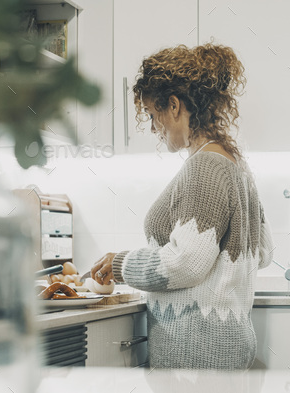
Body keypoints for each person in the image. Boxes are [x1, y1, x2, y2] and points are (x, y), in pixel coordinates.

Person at [90, 43, 273, 370]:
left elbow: (186, 262)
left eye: (151, 114)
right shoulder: (235, 166)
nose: (152, 127)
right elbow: (263, 251)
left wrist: (121, 264)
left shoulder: (205, 167)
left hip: (196, 358)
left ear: (173, 106)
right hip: (225, 349)